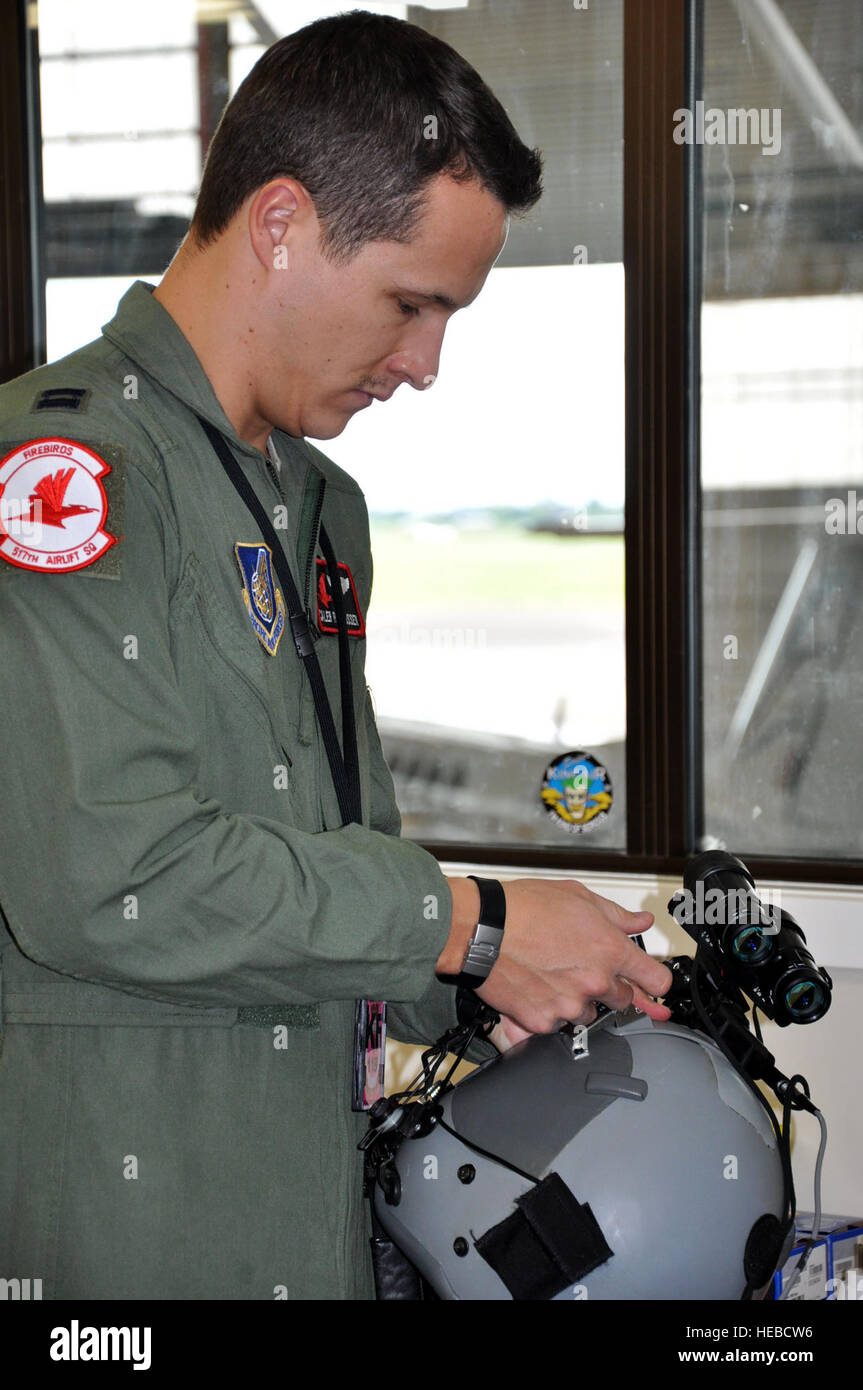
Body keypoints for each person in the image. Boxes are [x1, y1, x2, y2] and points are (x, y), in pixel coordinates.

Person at [0, 11, 671, 1300]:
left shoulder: (314, 506)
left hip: (309, 1215)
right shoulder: (70, 476)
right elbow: (109, 875)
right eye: (412, 304)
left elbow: (332, 868)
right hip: (124, 1242)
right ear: (281, 224)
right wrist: (469, 926)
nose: (424, 366)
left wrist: (500, 982)